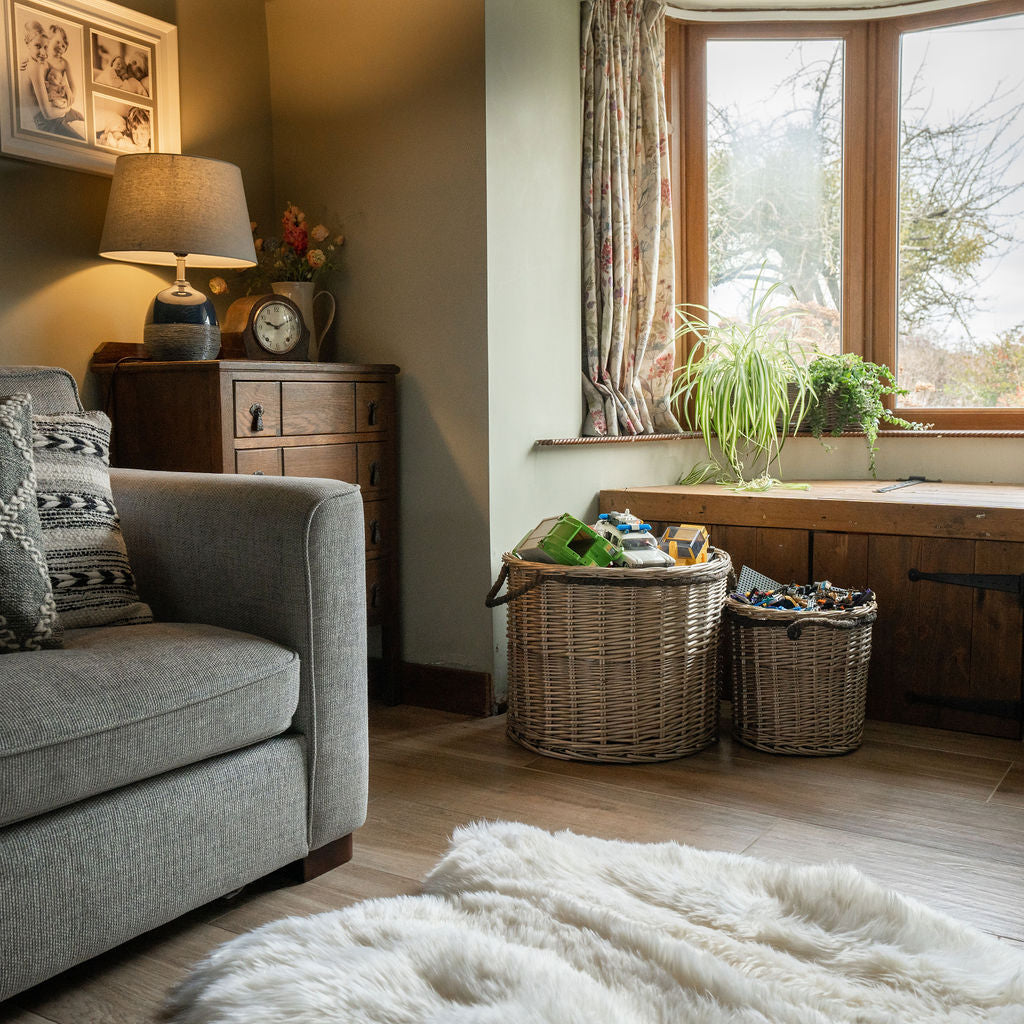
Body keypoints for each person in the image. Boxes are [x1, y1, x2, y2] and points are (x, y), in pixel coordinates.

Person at [21, 22, 85, 140]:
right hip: (48, 121)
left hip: (57, 112)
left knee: (82, 118)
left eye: (45, 47)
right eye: (37, 46)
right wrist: (66, 109)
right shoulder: (35, 67)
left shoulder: (44, 63)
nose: (43, 52)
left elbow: (56, 81)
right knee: (81, 141)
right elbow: (48, 114)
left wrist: (66, 88)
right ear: (28, 44)